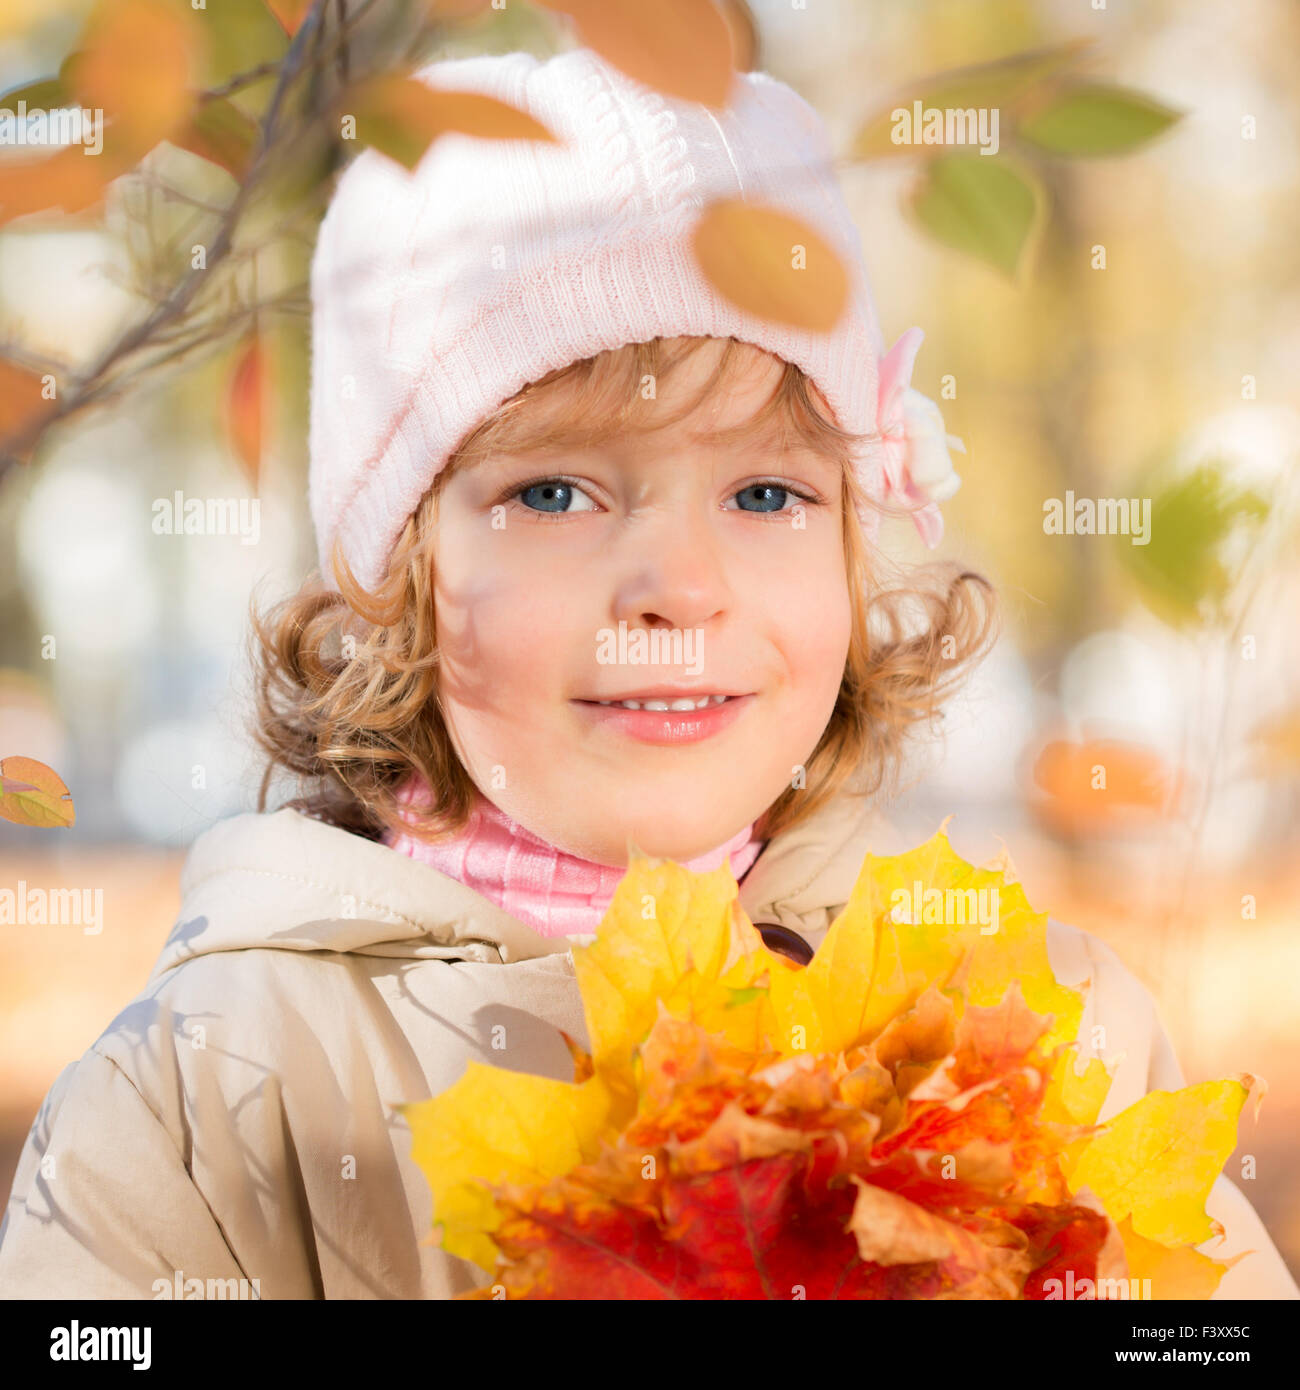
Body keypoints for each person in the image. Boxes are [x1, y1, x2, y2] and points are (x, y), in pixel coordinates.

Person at [1, 46, 1294, 1300]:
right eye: (555, 492)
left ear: (856, 549)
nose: (678, 584)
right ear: (400, 576)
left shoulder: (1034, 1045)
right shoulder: (213, 1103)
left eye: (766, 490)